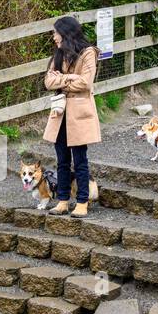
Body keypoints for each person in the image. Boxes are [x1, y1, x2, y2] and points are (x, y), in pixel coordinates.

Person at [43, 15, 100, 217]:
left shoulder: (88, 53)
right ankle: (63, 200)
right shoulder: (59, 55)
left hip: (79, 112)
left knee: (80, 159)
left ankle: (82, 201)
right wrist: (70, 78)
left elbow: (85, 83)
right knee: (62, 160)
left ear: (66, 33)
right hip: (60, 113)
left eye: (56, 33)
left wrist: (61, 80)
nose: (54, 37)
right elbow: (48, 82)